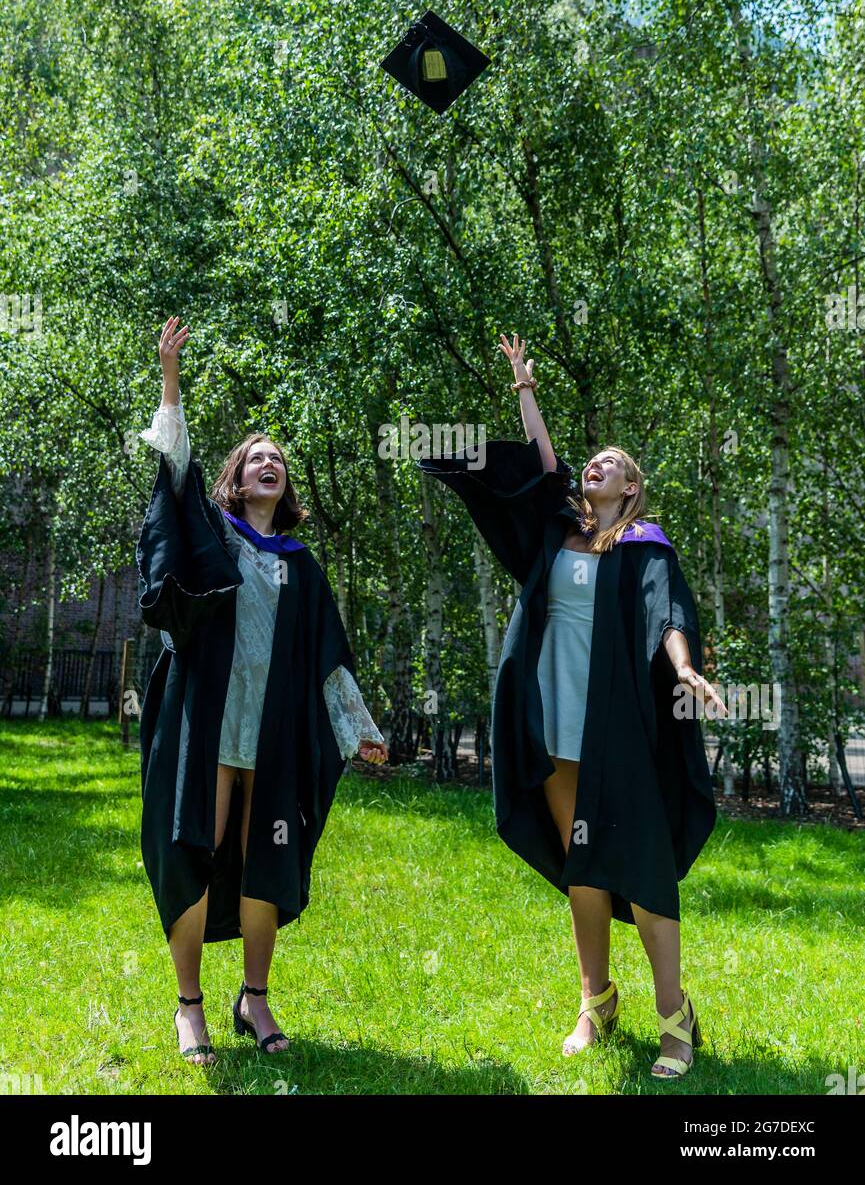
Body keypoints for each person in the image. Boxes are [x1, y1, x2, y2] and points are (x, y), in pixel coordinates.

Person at [417, 332, 726, 1081]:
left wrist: (685, 668)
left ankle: (673, 1018)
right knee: (581, 862)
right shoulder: (559, 529)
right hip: (553, 713)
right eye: (594, 460)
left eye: (611, 463)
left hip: (618, 723)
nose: (597, 465)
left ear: (631, 487)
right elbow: (544, 466)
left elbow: (665, 611)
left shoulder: (644, 544)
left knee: (643, 869)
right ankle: (596, 1002)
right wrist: (524, 389)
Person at [136, 317, 387, 1065]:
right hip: (211, 721)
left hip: (272, 732)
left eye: (278, 458)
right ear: (237, 479)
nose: (269, 463)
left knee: (264, 860)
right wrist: (171, 378)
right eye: (256, 458)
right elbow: (174, 467)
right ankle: (189, 1005)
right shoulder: (212, 533)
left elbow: (327, 656)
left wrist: (356, 726)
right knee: (194, 848)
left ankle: (255, 998)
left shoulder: (300, 565)